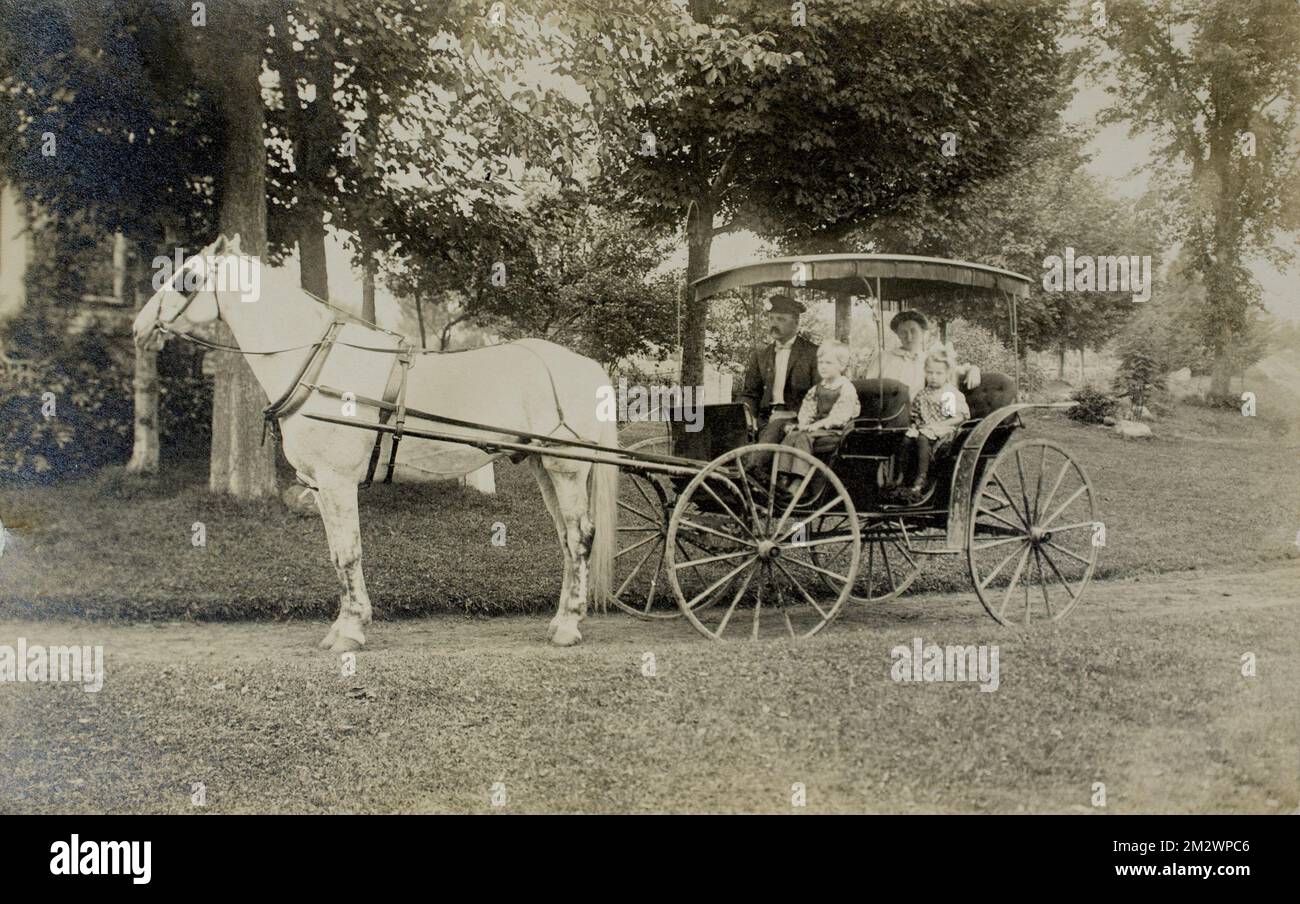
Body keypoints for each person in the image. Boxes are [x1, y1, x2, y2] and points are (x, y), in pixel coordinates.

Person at [738, 294, 819, 467]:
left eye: (781, 319)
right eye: (771, 318)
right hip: (764, 417)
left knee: (776, 426)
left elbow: (819, 394)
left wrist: (793, 414)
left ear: (796, 323)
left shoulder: (813, 354)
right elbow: (750, 393)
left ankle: (750, 473)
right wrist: (747, 414)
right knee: (726, 423)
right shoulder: (761, 356)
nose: (774, 324)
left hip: (795, 418)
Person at [774, 341, 860, 491]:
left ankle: (799, 479)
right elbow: (808, 408)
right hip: (816, 429)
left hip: (835, 430)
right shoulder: (818, 388)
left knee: (803, 437)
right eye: (820, 362)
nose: (823, 366)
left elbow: (840, 416)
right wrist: (804, 423)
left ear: (841, 366)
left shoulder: (846, 388)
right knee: (792, 435)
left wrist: (816, 426)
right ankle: (782, 475)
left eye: (829, 363)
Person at [894, 345, 971, 502]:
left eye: (938, 373)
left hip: (945, 428)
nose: (933, 377)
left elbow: (957, 417)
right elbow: (915, 413)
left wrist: (937, 427)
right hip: (924, 427)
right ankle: (901, 476)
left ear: (947, 374)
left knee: (922, 438)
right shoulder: (923, 393)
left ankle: (921, 479)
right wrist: (914, 424)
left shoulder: (947, 394)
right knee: (906, 438)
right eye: (930, 373)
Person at [865, 310, 981, 397]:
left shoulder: (930, 359)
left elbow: (954, 369)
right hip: (887, 412)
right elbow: (868, 386)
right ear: (897, 335)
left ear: (923, 333)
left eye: (913, 331)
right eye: (903, 332)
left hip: (918, 413)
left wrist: (974, 369)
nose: (909, 337)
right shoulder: (884, 357)